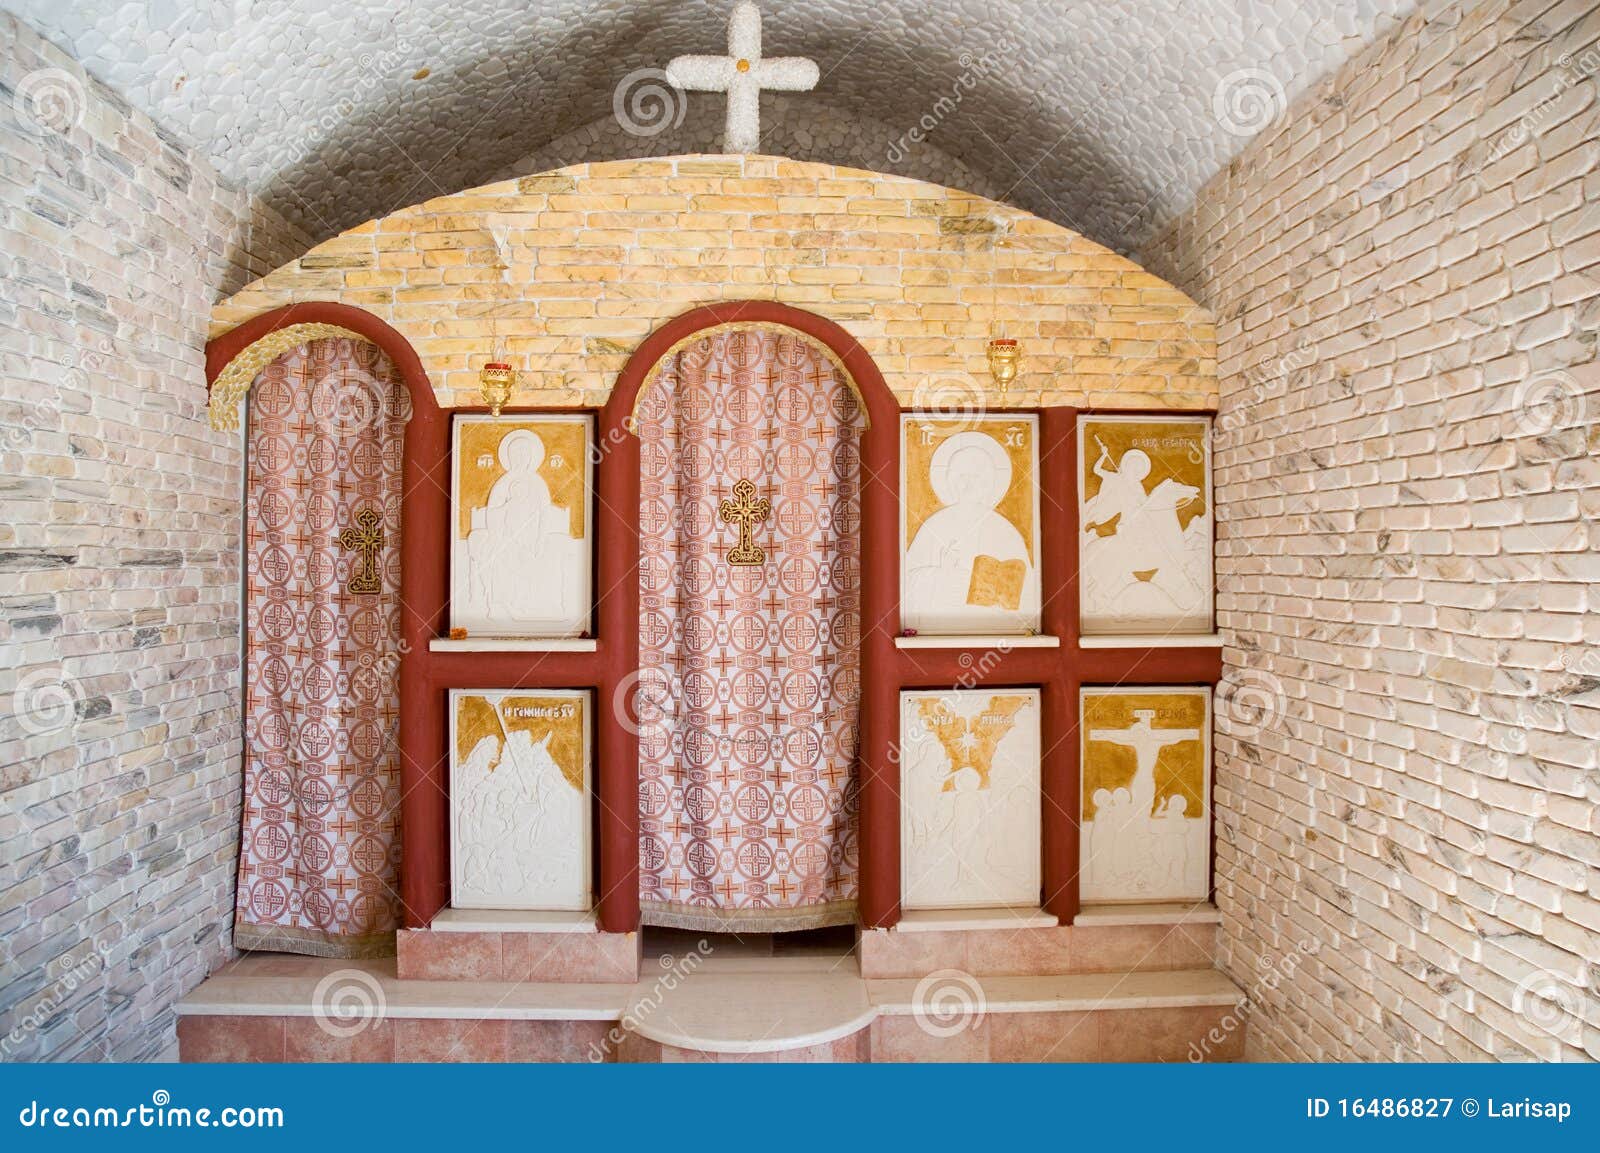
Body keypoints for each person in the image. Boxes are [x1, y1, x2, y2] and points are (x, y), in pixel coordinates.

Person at [904, 431, 1036, 632]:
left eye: (976, 477)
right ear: (950, 480)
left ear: (988, 483)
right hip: (942, 621)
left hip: (995, 625)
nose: (968, 484)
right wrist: (942, 574)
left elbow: (1028, 588)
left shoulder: (1004, 530)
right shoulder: (934, 525)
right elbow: (907, 580)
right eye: (961, 476)